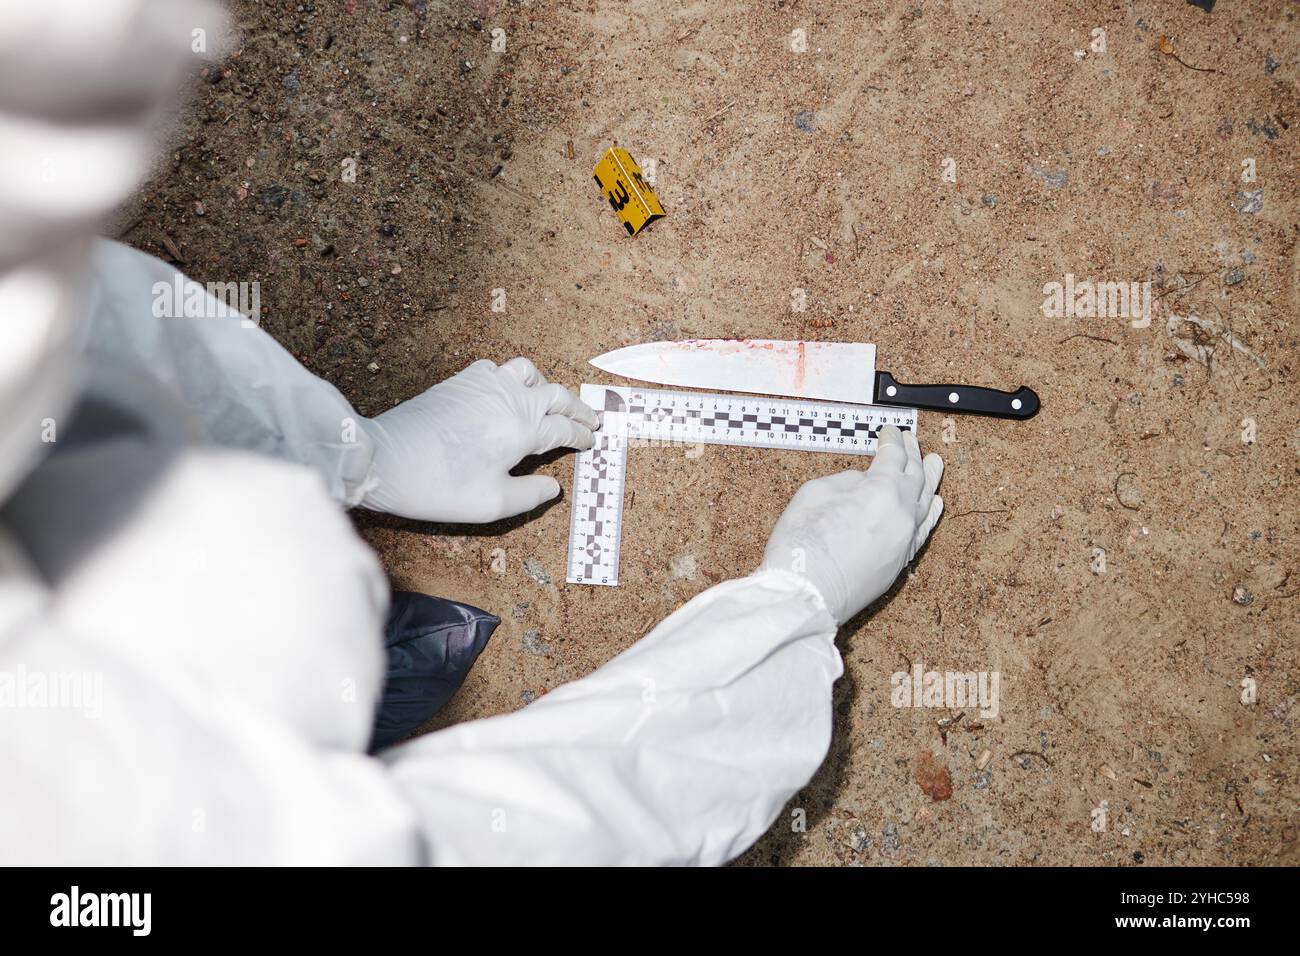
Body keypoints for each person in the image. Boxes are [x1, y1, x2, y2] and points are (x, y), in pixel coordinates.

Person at [0, 0, 943, 865]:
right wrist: (788, 614)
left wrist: (356, 453)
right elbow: (519, 837)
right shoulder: (93, 814)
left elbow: (71, 314)